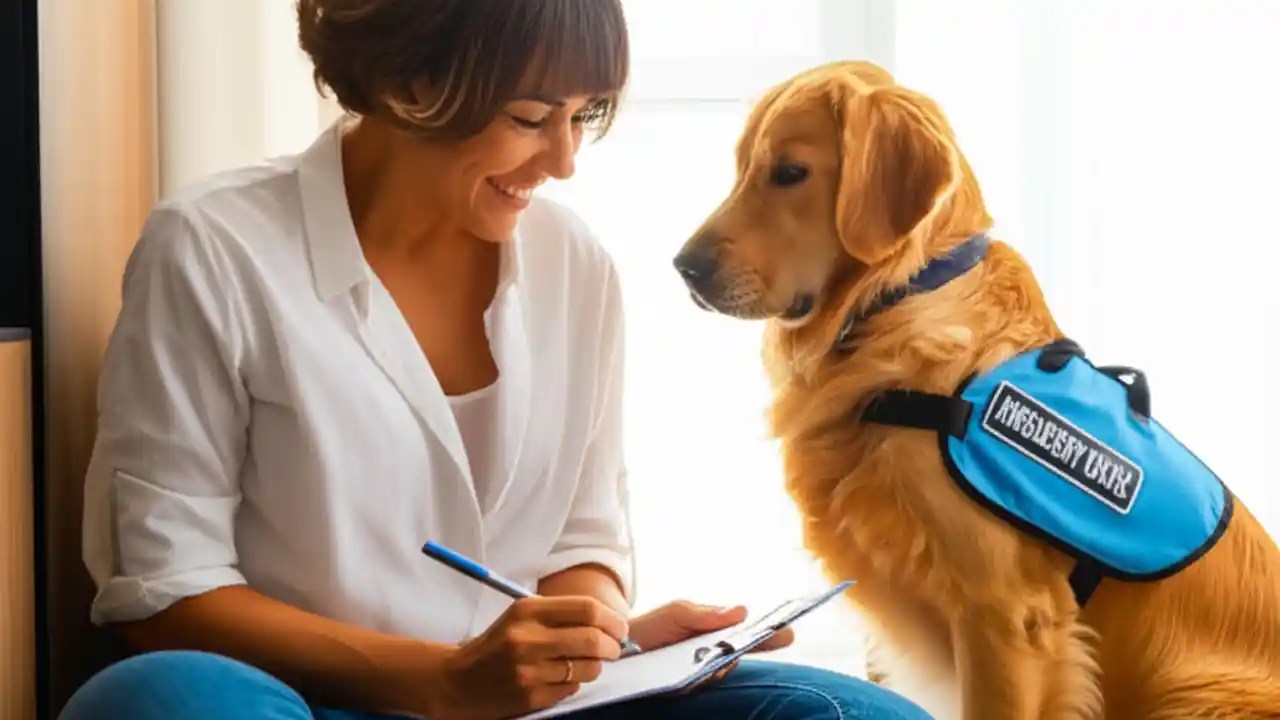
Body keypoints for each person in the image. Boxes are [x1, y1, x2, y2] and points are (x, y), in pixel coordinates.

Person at [60, 1, 933, 719]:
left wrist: (597, 638)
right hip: (316, 703)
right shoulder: (213, 247)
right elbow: (167, 594)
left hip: (535, 713)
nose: (563, 162)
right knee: (155, 699)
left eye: (584, 116)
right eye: (530, 118)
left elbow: (582, 538)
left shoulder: (572, 262)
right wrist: (442, 680)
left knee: (854, 717)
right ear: (411, 84)